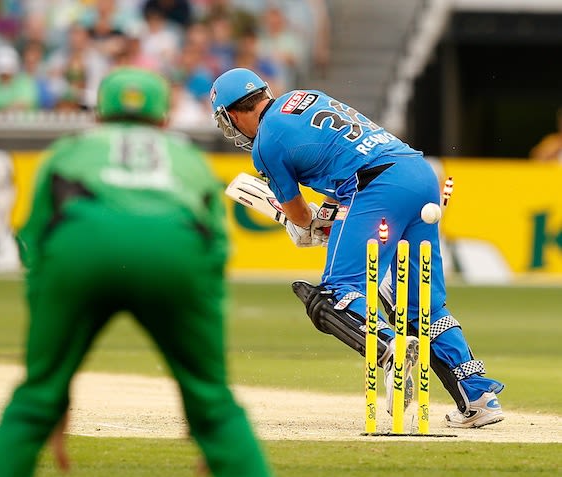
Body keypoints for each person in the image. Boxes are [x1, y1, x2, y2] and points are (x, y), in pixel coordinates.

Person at [0, 66, 321, 477]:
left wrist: (51, 381)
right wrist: (209, 408)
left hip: (80, 249)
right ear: (162, 117)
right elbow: (214, 255)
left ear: (100, 114)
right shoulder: (187, 158)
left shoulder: (68, 152)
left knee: (34, 402)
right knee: (216, 408)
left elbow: (35, 246)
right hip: (174, 252)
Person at [209, 67, 505, 429]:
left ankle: (390, 349)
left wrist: (303, 225)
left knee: (334, 295)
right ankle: (478, 397)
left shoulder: (265, 145)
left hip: (377, 186)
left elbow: (300, 215)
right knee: (421, 305)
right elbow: (343, 166)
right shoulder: (306, 97)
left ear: (233, 114)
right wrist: (325, 221)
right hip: (417, 173)